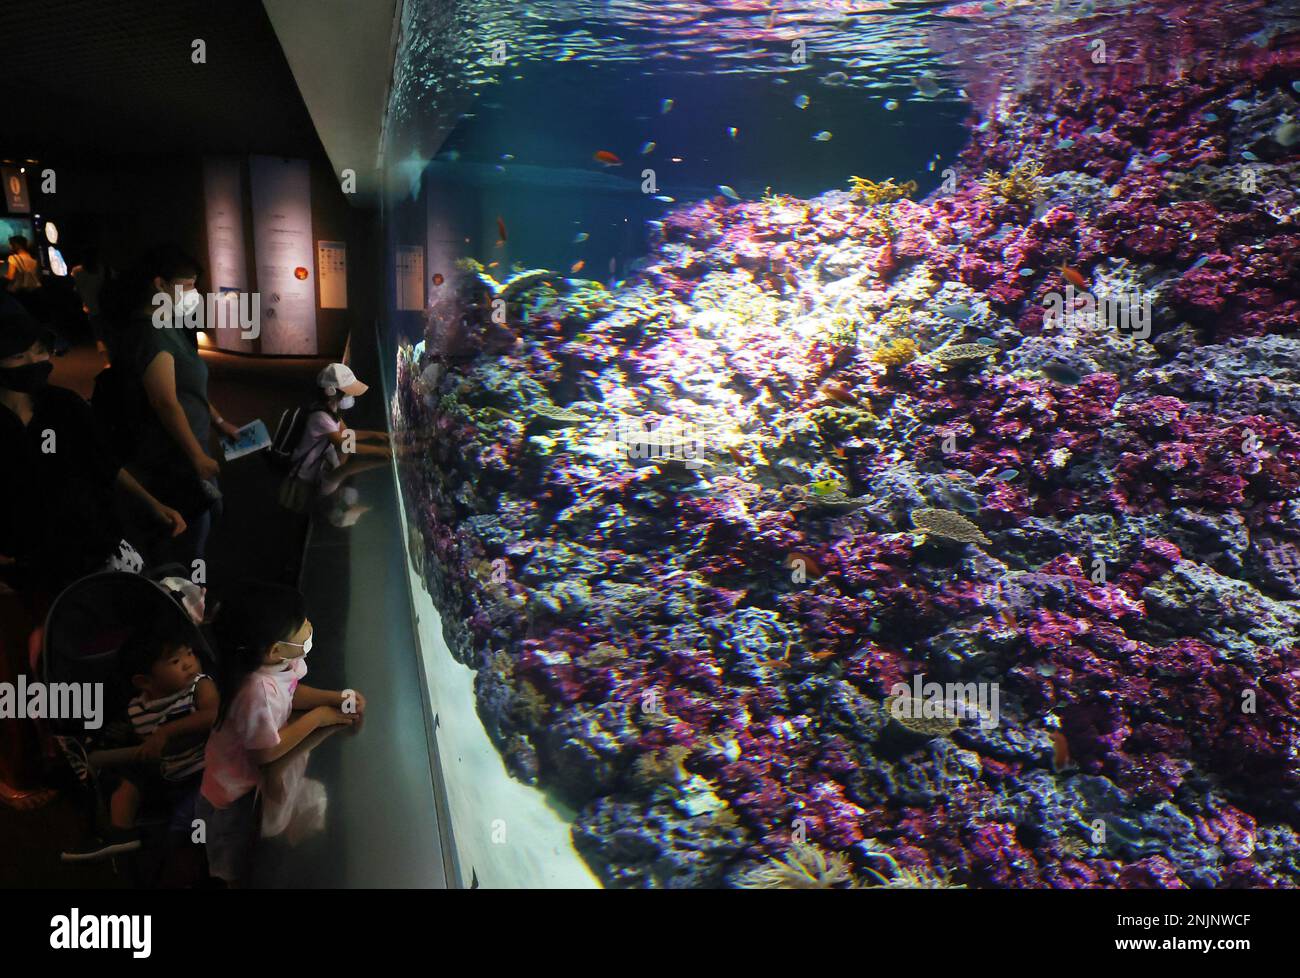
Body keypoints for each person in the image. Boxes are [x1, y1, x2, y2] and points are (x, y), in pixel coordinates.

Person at [0, 307, 186, 605]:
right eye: (19, 356)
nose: (35, 362)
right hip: (23, 558)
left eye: (39, 351)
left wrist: (152, 503)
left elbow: (105, 463)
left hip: (91, 543)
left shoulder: (65, 405)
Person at [198, 581, 365, 885]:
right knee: (238, 861)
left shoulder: (277, 663)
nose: (309, 626)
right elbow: (265, 754)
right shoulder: (256, 692)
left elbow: (290, 693)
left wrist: (333, 697)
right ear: (274, 650)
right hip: (237, 792)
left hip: (263, 769)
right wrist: (319, 718)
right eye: (301, 625)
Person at [119, 245, 240, 564]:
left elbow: (188, 389)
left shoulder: (169, 326)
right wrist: (196, 456)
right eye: (188, 285)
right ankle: (182, 601)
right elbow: (164, 401)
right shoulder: (150, 334)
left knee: (206, 519)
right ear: (160, 285)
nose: (194, 293)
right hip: (173, 459)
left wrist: (218, 421)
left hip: (188, 452)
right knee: (189, 535)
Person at [61, 625, 218, 862]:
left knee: (185, 830)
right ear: (145, 682)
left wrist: (166, 732)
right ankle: (121, 833)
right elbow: (149, 747)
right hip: (168, 775)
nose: (189, 663)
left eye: (189, 654)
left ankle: (183, 857)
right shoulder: (137, 709)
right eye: (175, 661)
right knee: (130, 778)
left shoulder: (200, 685)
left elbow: (212, 714)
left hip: (205, 772)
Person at [286, 363, 391, 503]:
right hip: (307, 475)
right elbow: (343, 445)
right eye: (347, 392)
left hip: (321, 465)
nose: (349, 396)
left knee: (341, 468)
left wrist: (376, 435)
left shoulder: (329, 410)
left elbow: (346, 434)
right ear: (331, 391)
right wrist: (381, 451)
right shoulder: (321, 417)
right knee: (340, 475)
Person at [70, 247, 110, 363]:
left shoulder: (76, 271)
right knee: (107, 334)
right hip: (103, 306)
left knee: (99, 335)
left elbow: (76, 288)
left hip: (90, 307)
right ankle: (111, 359)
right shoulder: (102, 269)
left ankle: (106, 361)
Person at [4, 236, 43, 321]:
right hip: (33, 292)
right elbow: (38, 276)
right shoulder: (34, 260)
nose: (9, 247)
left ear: (17, 245)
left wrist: (4, 276)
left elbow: (10, 276)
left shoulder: (13, 258)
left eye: (11, 244)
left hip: (19, 292)